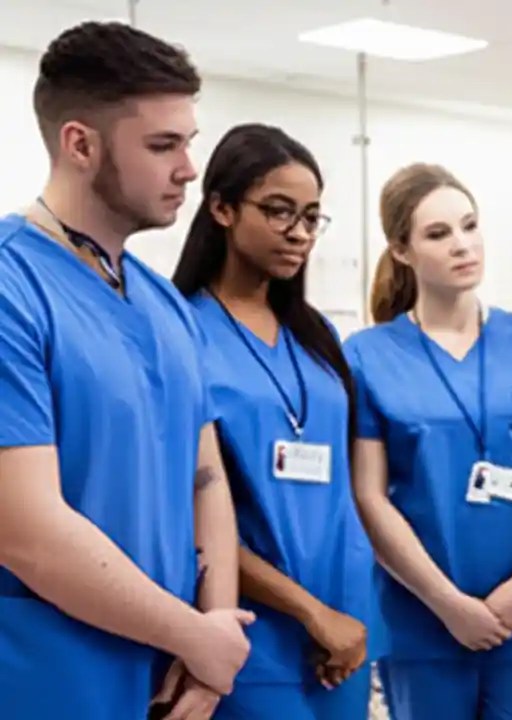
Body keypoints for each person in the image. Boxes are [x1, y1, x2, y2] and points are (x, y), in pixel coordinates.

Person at [0, 21, 255, 719]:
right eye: (162, 145)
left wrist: (216, 643)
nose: (190, 169)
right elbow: (24, 528)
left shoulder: (164, 303)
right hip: (47, 679)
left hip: (171, 679)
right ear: (79, 143)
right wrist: (192, 636)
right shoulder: (11, 286)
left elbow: (207, 479)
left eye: (189, 142)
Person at [344, 163, 512, 720]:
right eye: (438, 234)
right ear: (402, 251)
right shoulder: (367, 355)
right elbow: (368, 495)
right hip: (423, 615)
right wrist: (446, 603)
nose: (462, 245)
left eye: (469, 225)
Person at [171, 123, 380, 718]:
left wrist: (342, 617)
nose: (299, 233)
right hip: (250, 626)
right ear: (222, 208)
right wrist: (312, 613)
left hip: (346, 626)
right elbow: (189, 510)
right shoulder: (179, 330)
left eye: (312, 217)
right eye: (279, 211)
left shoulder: (318, 338)